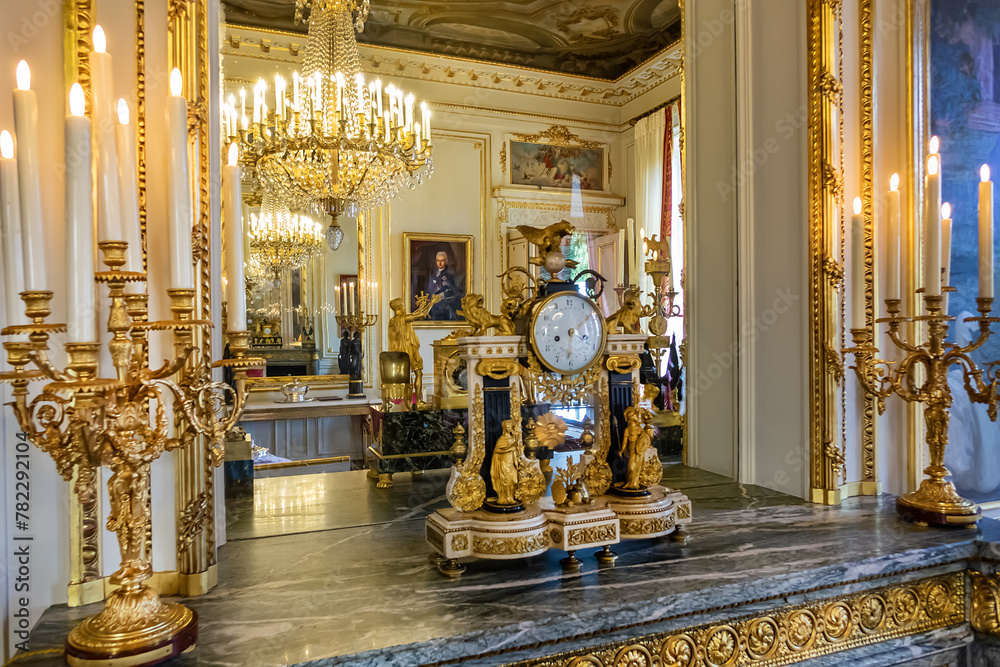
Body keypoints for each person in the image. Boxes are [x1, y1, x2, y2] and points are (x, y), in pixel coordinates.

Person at [388, 293, 442, 393]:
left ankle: (407, 400)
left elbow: (416, 313)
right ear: (399, 306)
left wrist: (423, 305)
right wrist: (431, 304)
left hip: (398, 351)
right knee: (418, 373)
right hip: (408, 349)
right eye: (403, 305)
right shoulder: (403, 319)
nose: (405, 307)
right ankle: (417, 401)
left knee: (405, 376)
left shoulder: (393, 321)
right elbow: (423, 314)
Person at [425, 251, 462, 320]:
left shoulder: (450, 276)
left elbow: (454, 292)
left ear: (446, 261)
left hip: (444, 308)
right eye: (438, 260)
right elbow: (428, 290)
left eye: (442, 260)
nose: (439, 263)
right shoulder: (432, 275)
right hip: (431, 307)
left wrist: (443, 295)